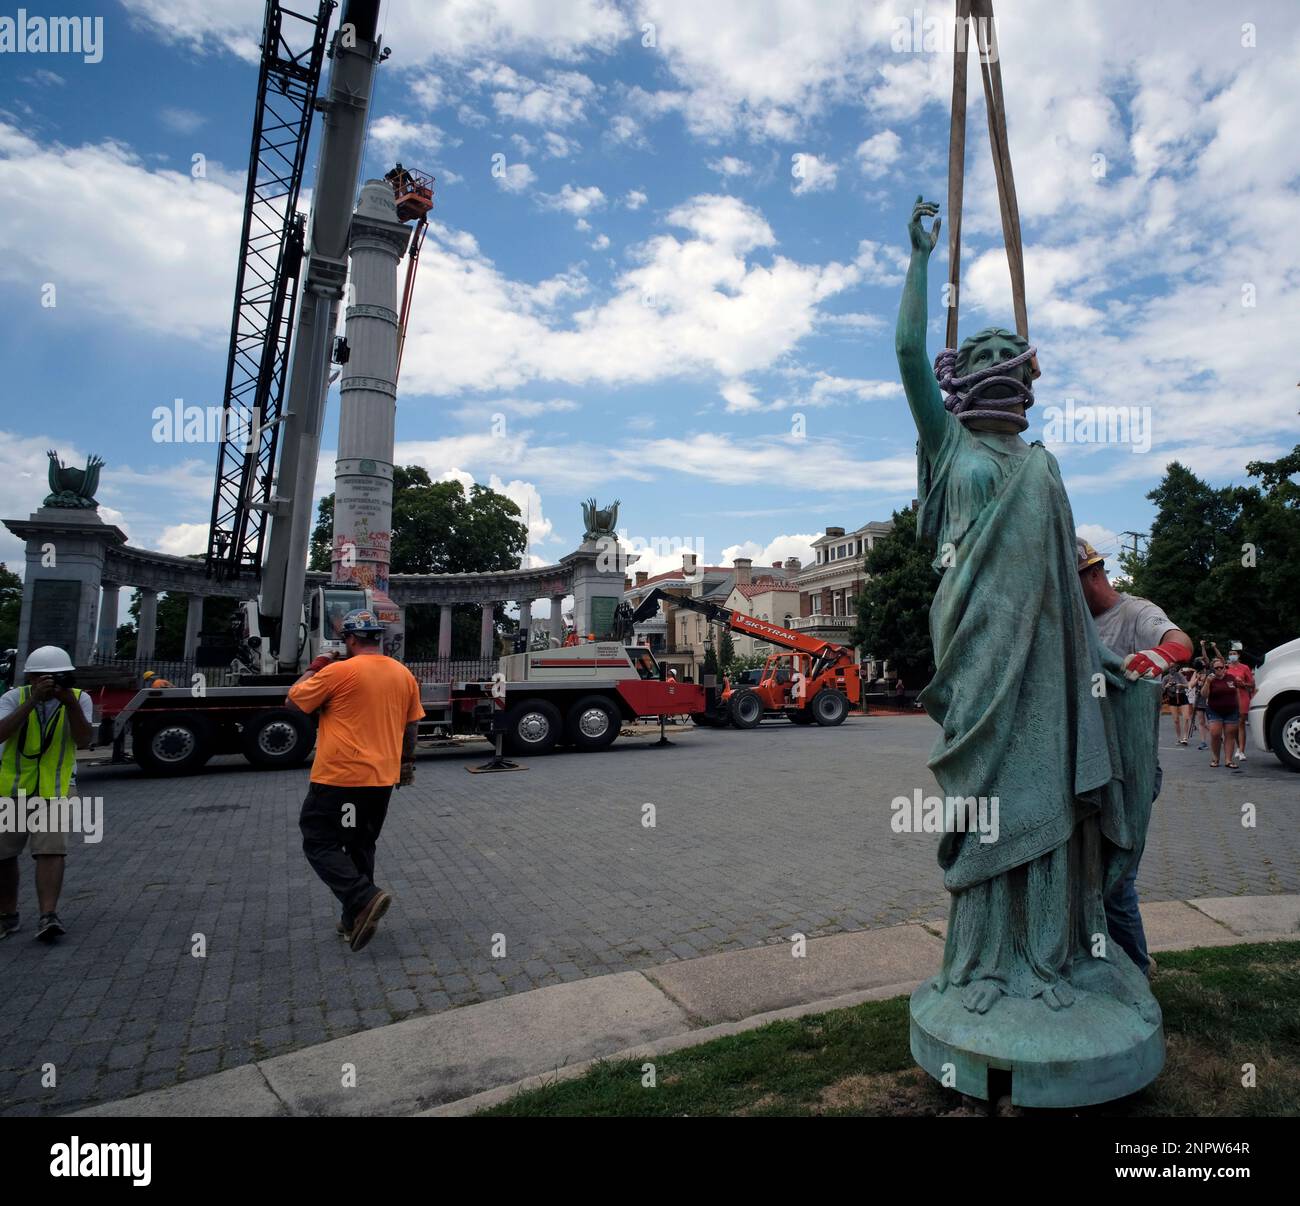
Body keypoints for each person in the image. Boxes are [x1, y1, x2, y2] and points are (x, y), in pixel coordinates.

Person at [898, 196, 1160, 1021]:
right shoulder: (952, 446)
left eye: (1015, 349)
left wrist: (1108, 660)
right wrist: (918, 260)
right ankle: (980, 963)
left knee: (1049, 807)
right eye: (990, 350)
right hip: (979, 654)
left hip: (1049, 663)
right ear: (969, 371)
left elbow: (1063, 580)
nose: (1006, 357)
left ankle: (1046, 956)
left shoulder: (1043, 467)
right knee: (990, 807)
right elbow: (908, 353)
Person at [1076, 541, 1192, 977]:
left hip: (1131, 772)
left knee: (1117, 883)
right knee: (1087, 879)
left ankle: (1138, 971)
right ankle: (1105, 961)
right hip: (1090, 771)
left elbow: (1178, 639)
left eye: (1071, 584)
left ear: (1092, 574)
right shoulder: (1075, 624)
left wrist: (1160, 656)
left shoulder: (1135, 612)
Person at [286, 610, 424, 952]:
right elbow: (411, 726)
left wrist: (316, 664)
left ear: (349, 639)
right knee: (361, 843)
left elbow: (293, 700)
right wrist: (406, 763)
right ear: (377, 638)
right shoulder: (403, 674)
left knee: (318, 841)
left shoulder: (337, 671)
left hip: (340, 777)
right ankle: (354, 918)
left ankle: (364, 897)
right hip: (381, 779)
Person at [0, 646, 94, 941]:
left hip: (55, 787)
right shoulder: (13, 698)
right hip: (14, 787)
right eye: (44, 677)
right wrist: (32, 702)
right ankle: (7, 915)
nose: (50, 682)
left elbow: (83, 740)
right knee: (4, 855)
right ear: (31, 677)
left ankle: (48, 915)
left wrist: (69, 704)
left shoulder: (79, 699)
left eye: (57, 677)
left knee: (51, 851)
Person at [1201, 657, 1243, 771]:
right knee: (1215, 734)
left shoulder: (1231, 678)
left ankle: (1228, 760)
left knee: (1230, 735)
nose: (1219, 669)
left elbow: (1236, 693)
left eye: (1221, 667)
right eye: (1216, 668)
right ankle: (1215, 758)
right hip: (1215, 710)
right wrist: (1207, 682)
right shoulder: (1210, 679)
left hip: (1231, 710)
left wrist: (1239, 708)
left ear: (1225, 667)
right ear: (1213, 669)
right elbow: (1204, 695)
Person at [1221, 642, 1255, 763]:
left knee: (1240, 723)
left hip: (1242, 696)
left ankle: (1241, 750)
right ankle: (1237, 745)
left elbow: (1252, 685)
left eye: (1234, 653)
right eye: (1230, 654)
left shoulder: (1245, 668)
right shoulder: (1225, 668)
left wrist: (1243, 684)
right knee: (1232, 724)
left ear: (1238, 655)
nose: (1232, 656)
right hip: (1230, 697)